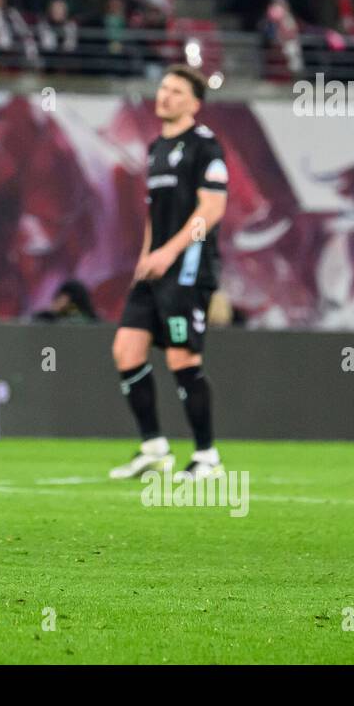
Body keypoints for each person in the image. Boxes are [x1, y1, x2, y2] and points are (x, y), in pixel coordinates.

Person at [110, 64, 229, 482]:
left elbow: (211, 210)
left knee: (183, 359)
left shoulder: (205, 146)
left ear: (195, 103)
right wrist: (147, 257)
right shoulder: (156, 147)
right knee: (126, 350)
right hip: (156, 268)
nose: (166, 96)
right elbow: (152, 215)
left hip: (187, 269)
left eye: (177, 91)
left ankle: (206, 457)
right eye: (163, 88)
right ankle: (154, 449)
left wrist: (169, 253)